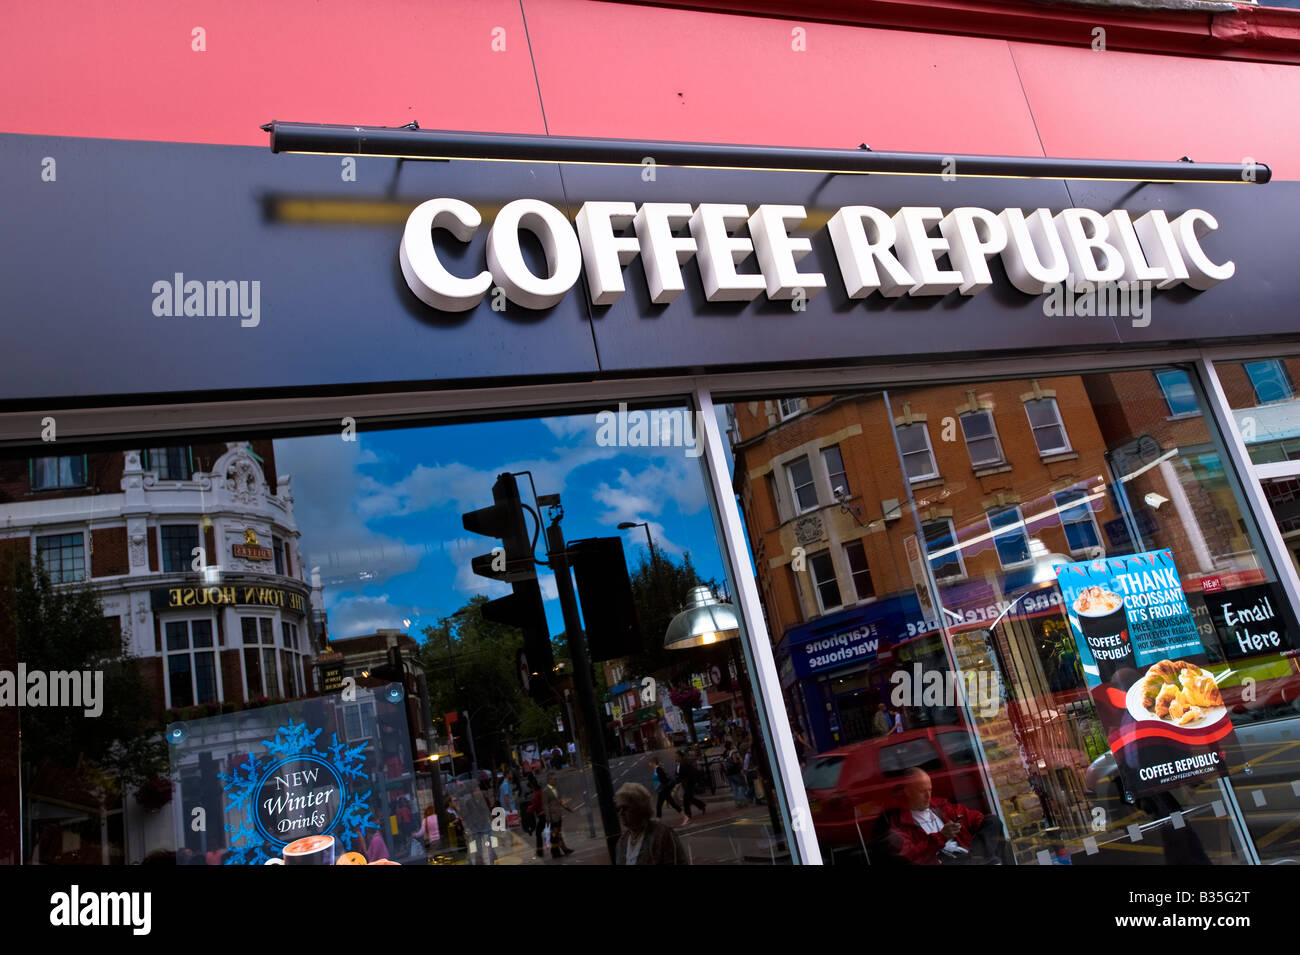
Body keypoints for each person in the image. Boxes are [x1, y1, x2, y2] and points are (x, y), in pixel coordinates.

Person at [872, 768, 1010, 865]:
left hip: (967, 855)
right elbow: (911, 855)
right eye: (922, 791)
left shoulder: (941, 806)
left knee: (992, 821)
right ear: (908, 791)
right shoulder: (899, 822)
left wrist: (968, 827)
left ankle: (975, 861)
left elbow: (975, 818)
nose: (928, 796)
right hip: (943, 861)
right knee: (992, 858)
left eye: (930, 790)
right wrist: (941, 837)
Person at [614, 783, 687, 865]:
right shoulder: (622, 841)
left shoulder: (662, 834)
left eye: (625, 808)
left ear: (640, 808)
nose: (621, 813)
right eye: (618, 809)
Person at [542, 775, 576, 858]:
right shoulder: (545, 791)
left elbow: (560, 801)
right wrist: (548, 817)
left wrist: (568, 809)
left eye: (556, 779)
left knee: (557, 834)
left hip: (558, 816)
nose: (556, 781)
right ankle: (559, 851)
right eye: (554, 779)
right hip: (552, 817)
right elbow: (545, 805)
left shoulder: (555, 789)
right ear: (549, 780)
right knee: (556, 835)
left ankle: (557, 852)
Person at [677, 750, 707, 823]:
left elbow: (691, 772)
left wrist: (694, 781)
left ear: (680, 756)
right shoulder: (681, 763)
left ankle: (688, 814)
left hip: (689, 783)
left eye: (676, 756)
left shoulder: (684, 763)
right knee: (689, 798)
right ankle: (701, 805)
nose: (675, 757)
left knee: (686, 799)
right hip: (686, 783)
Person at [527, 782, 546, 858]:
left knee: (538, 833)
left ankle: (540, 851)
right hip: (545, 814)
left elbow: (535, 805)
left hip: (542, 816)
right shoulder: (541, 792)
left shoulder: (537, 795)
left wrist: (528, 809)